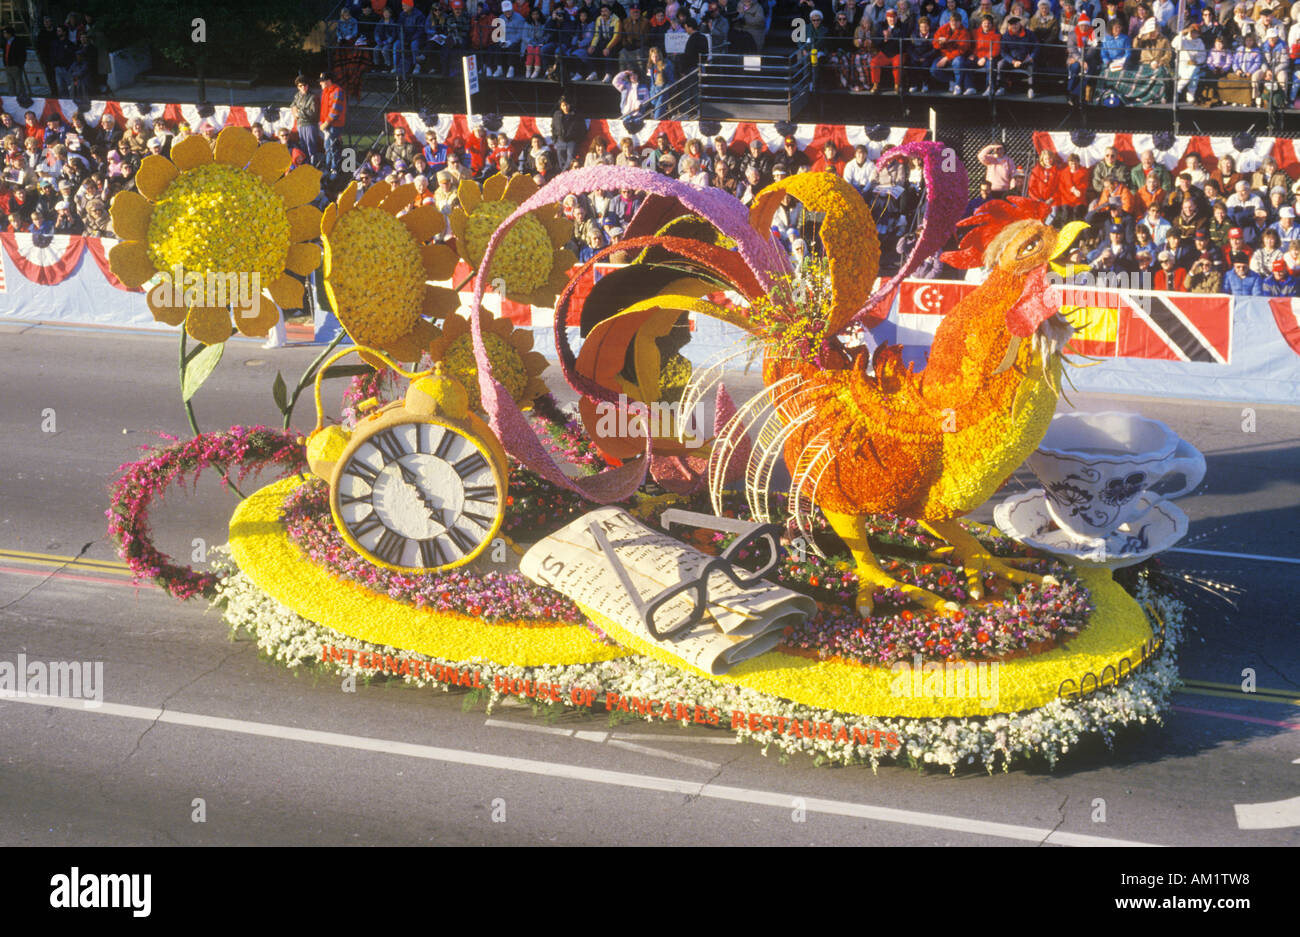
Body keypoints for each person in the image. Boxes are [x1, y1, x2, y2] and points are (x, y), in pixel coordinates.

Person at [932, 12, 972, 93]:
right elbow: (934, 44)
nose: (954, 23)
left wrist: (947, 58)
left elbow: (962, 49)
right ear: (949, 21)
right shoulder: (943, 28)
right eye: (952, 21)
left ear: (960, 22)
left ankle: (958, 85)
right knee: (933, 70)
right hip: (944, 55)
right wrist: (940, 43)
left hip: (957, 56)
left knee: (958, 62)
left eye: (957, 21)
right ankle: (951, 80)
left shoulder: (964, 32)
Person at [319, 71, 346, 176]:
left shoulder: (337, 91)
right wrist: (322, 123)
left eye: (322, 81)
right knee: (327, 147)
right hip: (326, 126)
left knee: (333, 147)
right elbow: (324, 109)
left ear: (328, 81)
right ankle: (328, 167)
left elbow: (336, 110)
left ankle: (335, 169)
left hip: (334, 126)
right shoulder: (325, 92)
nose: (320, 83)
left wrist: (326, 123)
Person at [290, 76, 322, 164]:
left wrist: (298, 113)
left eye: (305, 85)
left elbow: (312, 113)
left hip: (310, 124)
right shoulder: (297, 96)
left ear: (308, 85)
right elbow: (292, 106)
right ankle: (305, 164)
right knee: (303, 146)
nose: (303, 87)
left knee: (311, 147)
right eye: (300, 86)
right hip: (300, 125)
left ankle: (313, 165)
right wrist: (295, 110)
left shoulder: (313, 97)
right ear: (298, 87)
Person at [552, 96, 585, 170]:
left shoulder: (576, 115)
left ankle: (565, 175)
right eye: (563, 105)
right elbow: (553, 127)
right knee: (561, 161)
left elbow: (582, 129)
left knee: (570, 160)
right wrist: (555, 140)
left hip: (572, 141)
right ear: (561, 106)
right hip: (560, 141)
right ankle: (564, 175)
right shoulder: (557, 115)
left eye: (567, 105)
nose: (565, 107)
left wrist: (577, 140)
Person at [2, 27, 28, 99]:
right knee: (10, 83)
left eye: (5, 33)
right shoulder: (6, 42)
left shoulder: (18, 42)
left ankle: (21, 97)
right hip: (8, 65)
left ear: (10, 34)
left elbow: (22, 54)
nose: (4, 34)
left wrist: (19, 65)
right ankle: (12, 98)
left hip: (15, 65)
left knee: (18, 83)